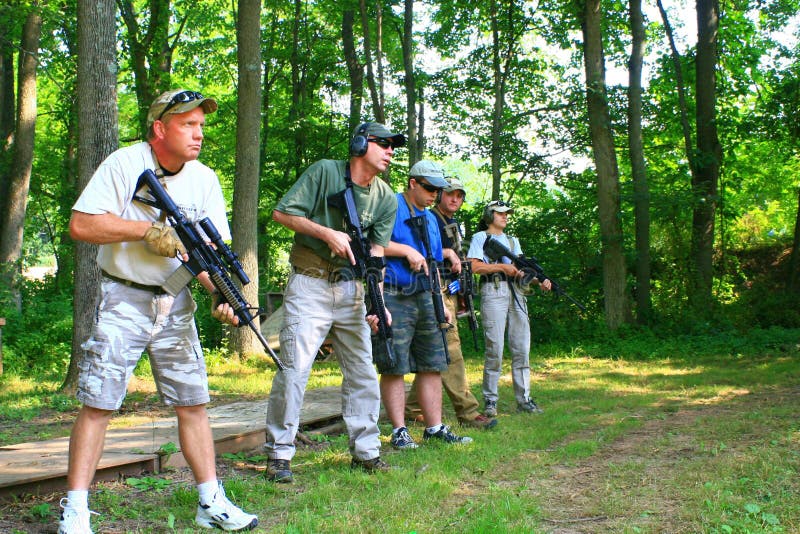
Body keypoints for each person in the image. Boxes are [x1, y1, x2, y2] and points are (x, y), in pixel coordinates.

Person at [59, 89, 258, 533]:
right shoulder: (125, 164)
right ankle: (75, 511)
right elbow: (82, 224)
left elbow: (204, 257)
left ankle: (210, 503)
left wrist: (223, 296)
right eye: (188, 124)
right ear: (160, 128)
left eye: (201, 125)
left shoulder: (205, 179)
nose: (198, 133)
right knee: (99, 403)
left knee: (193, 402)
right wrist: (146, 230)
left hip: (176, 300)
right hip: (123, 298)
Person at [263, 122, 403, 482]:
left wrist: (378, 303)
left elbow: (376, 255)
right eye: (383, 144)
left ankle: (366, 452)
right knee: (294, 370)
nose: (390, 151)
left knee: (362, 371)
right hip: (310, 284)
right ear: (360, 144)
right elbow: (282, 214)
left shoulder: (386, 197)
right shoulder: (325, 171)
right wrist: (326, 233)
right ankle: (279, 455)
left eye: (393, 146)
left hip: (353, 289)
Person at [377, 160, 473, 449]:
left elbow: (432, 262)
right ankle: (399, 431)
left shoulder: (431, 219)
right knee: (394, 364)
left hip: (427, 295)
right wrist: (405, 250)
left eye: (438, 189)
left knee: (433, 362)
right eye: (430, 188)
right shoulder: (390, 205)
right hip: (395, 292)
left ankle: (434, 428)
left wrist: (441, 301)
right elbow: (373, 244)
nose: (435, 194)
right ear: (413, 183)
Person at [405, 176, 497, 430]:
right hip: (434, 289)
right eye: (449, 193)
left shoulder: (453, 223)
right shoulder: (428, 217)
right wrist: (446, 254)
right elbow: (416, 251)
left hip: (451, 291)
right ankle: (468, 412)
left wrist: (463, 293)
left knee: (438, 350)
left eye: (460, 195)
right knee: (450, 351)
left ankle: (412, 409)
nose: (455, 199)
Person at [466, 200, 552, 417]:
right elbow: (474, 266)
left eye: (507, 213)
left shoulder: (513, 241)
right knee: (494, 348)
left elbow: (521, 271)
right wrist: (502, 267)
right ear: (490, 215)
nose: (505, 216)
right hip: (493, 291)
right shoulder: (481, 237)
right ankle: (490, 401)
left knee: (521, 348)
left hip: (518, 293)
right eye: (500, 213)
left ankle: (524, 399)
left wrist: (539, 280)